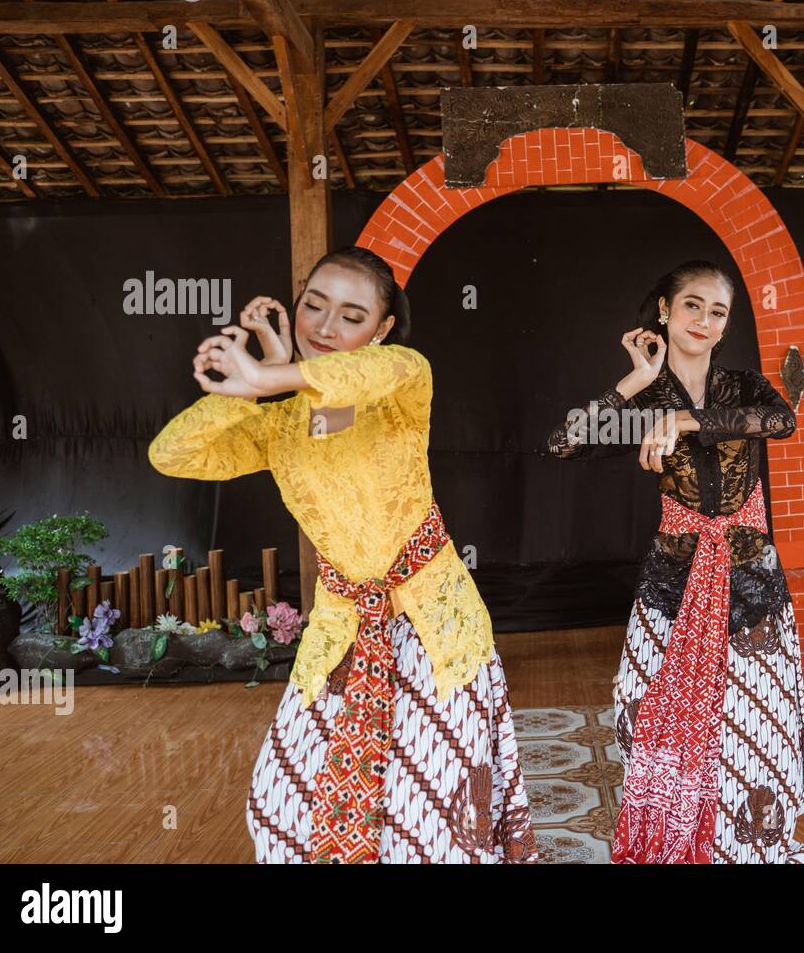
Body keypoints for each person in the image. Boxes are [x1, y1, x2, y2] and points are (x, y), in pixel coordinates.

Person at [149, 246, 536, 863]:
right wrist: (245, 392)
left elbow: (360, 379)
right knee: (281, 803)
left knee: (429, 818)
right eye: (314, 306)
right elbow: (174, 455)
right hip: (340, 627)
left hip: (433, 627)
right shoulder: (280, 426)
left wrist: (271, 374)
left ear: (382, 329)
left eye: (352, 316)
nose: (326, 327)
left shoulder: (402, 378)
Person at [547, 260, 804, 863]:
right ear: (666, 312)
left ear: (726, 326)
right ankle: (675, 827)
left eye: (718, 311)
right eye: (692, 305)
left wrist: (685, 418)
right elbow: (563, 443)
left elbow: (782, 420)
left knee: (753, 705)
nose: (704, 320)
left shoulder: (745, 385)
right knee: (649, 703)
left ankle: (746, 836)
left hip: (749, 566)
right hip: (675, 567)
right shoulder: (646, 392)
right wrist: (634, 382)